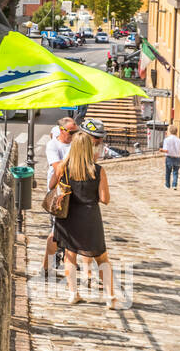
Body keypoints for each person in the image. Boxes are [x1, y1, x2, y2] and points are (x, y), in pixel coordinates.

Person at [49, 125, 129, 309]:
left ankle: (72, 293)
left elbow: (52, 185)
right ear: (88, 148)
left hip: (68, 215)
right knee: (101, 258)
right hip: (90, 217)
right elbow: (105, 199)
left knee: (70, 255)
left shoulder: (63, 168)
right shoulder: (98, 170)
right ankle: (110, 298)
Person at [43, 116, 78, 276]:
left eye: (76, 132)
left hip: (74, 189)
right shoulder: (53, 145)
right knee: (56, 229)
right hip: (58, 189)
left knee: (71, 227)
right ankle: (49, 264)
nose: (74, 135)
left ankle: (66, 261)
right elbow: (58, 168)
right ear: (62, 130)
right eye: (72, 132)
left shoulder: (76, 144)